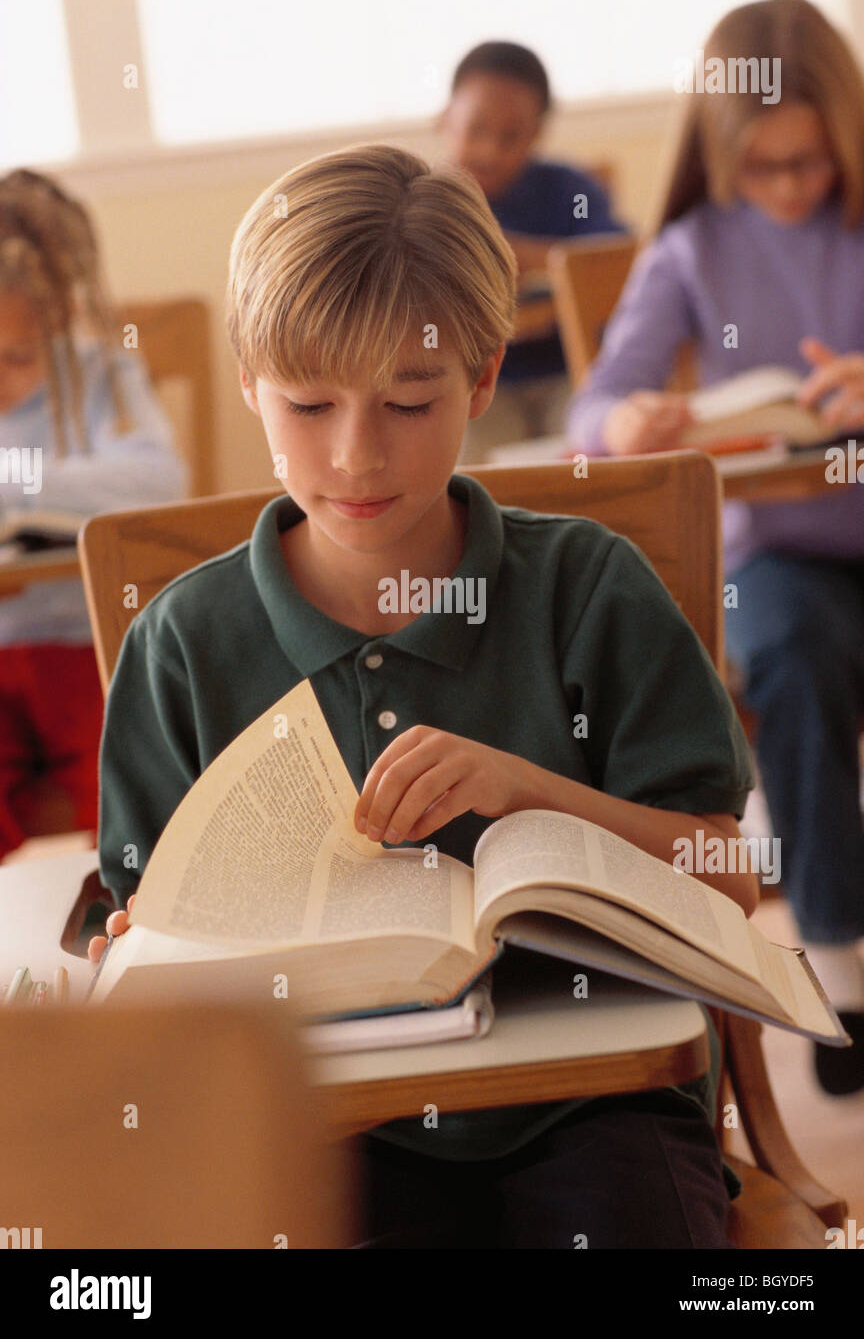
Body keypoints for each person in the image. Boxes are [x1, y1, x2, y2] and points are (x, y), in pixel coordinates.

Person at [90, 144, 756, 1248]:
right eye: (308, 402)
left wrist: (529, 793)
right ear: (250, 381)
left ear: (484, 377)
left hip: (599, 1105)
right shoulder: (185, 644)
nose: (356, 455)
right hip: (321, 1120)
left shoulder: (587, 589)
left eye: (408, 399)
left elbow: (728, 880)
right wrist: (132, 953)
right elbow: (131, 930)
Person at [566, 0, 864, 1093]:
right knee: (791, 652)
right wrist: (624, 422)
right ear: (721, 150)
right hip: (777, 553)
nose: (790, 187)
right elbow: (594, 406)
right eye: (765, 166)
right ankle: (841, 968)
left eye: (813, 164)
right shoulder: (693, 248)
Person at [0, 169, 187, 860]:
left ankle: (117, 924)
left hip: (86, 646)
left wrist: (15, 485)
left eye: (18, 357)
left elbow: (155, 480)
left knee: (127, 792)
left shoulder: (102, 376)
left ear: (57, 321)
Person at [439, 41, 625, 461]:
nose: (490, 150)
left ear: (537, 134)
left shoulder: (568, 188)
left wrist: (536, 256)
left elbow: (618, 260)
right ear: (445, 120)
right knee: (472, 464)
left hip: (567, 374)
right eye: (476, 130)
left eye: (511, 136)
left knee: (593, 448)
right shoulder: (427, 200)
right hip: (476, 386)